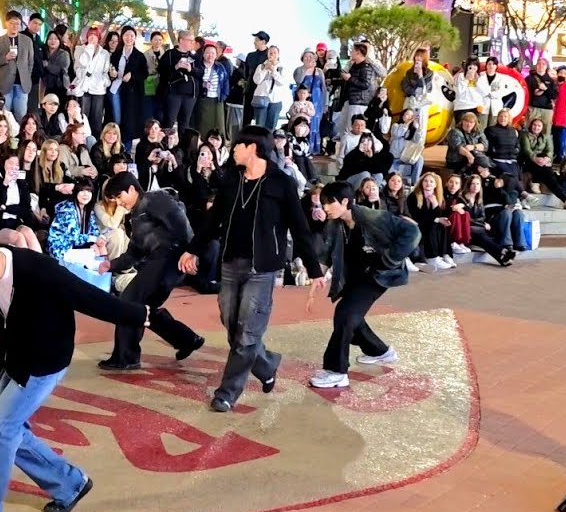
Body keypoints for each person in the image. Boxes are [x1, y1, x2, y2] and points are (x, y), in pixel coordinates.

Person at [0, 232, 151, 512]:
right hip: (15, 358)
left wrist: (140, 315)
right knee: (10, 432)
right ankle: (70, 483)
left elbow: (89, 297)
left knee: (1, 432)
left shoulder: (39, 271)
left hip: (44, 361)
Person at [179, 126, 325, 413]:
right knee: (232, 324)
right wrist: (193, 248)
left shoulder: (280, 183)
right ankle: (267, 364)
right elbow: (213, 220)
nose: (232, 150)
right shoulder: (231, 179)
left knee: (247, 333)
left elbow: (299, 227)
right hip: (230, 262)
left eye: (237, 146)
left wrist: (314, 269)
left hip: (263, 267)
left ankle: (227, 393)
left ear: (253, 148)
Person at [308, 181, 421, 389]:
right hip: (356, 275)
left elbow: (413, 233)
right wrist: (318, 277)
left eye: (328, 203)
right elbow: (326, 252)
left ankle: (336, 370)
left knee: (345, 313)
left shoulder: (372, 217)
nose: (324, 208)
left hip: (378, 274)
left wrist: (390, 259)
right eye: (322, 203)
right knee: (353, 316)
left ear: (344, 202)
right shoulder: (335, 223)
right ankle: (380, 351)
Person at [97, 172, 205, 370]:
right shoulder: (136, 216)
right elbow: (135, 251)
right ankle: (187, 339)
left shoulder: (155, 199)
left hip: (170, 259)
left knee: (130, 300)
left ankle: (126, 357)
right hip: (159, 262)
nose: (119, 203)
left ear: (131, 189)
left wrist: (191, 252)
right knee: (144, 309)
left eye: (120, 197)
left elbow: (181, 223)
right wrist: (110, 265)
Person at [0, 10, 34, 122]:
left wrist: (27, 75)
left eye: (18, 24)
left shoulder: (27, 41)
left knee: (21, 115)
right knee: (4, 115)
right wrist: (5, 58)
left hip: (22, 84)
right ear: (6, 23)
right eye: (12, 23)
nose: (15, 26)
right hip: (4, 84)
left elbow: (30, 62)